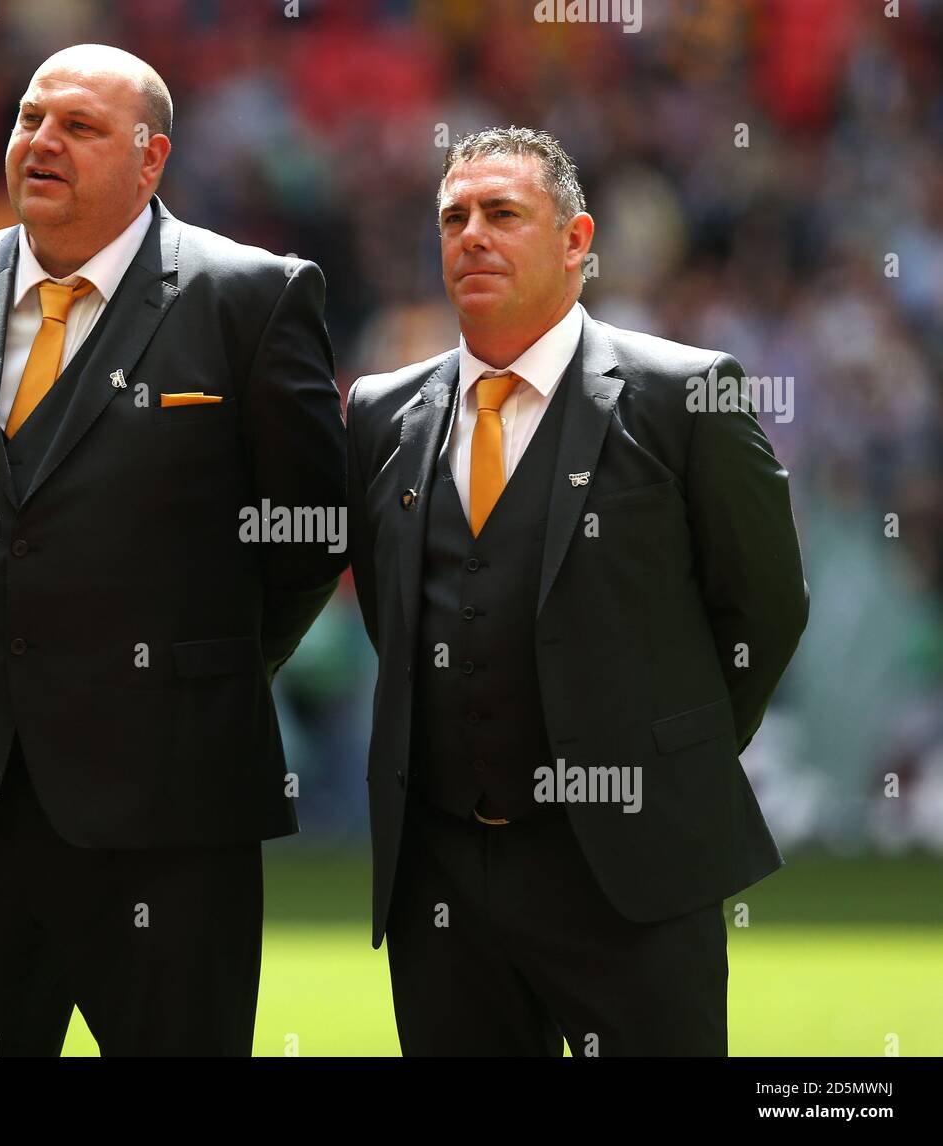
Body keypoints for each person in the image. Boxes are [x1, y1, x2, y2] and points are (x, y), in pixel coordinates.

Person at [0, 44, 346, 1056]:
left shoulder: (250, 298)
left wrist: (192, 673)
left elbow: (306, 535)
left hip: (174, 820)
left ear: (151, 159)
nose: (41, 140)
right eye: (30, 118)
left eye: (78, 127)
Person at [345, 127, 808, 1055]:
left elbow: (764, 607)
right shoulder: (380, 412)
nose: (471, 234)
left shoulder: (687, 395)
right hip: (440, 881)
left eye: (502, 214)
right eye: (453, 218)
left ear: (576, 240)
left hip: (631, 870)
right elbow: (395, 615)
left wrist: (668, 748)